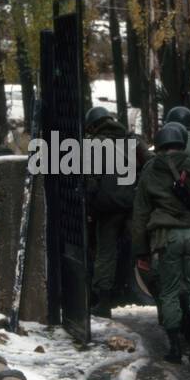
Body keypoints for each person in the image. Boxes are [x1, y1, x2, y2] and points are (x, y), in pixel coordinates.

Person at [131, 122, 190, 364]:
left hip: (166, 238)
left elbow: (140, 215)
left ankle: (175, 346)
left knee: (168, 292)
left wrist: (141, 252)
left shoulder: (150, 170)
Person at [84, 106, 146, 319]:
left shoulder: (93, 145)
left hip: (107, 208)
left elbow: (91, 181)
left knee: (105, 253)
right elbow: (150, 163)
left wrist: (89, 208)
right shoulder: (130, 140)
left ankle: (103, 302)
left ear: (93, 126)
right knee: (141, 247)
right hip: (131, 205)